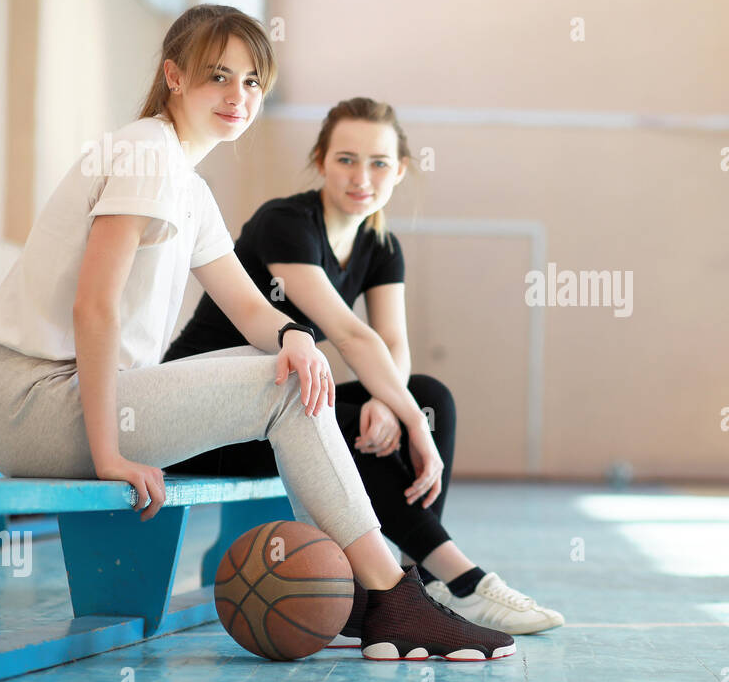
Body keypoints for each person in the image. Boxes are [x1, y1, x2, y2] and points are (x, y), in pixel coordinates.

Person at [0, 4, 514, 661]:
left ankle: (374, 598)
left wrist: (293, 337)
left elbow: (251, 309)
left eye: (253, 81)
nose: (239, 96)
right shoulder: (146, 152)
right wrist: (109, 455)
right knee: (284, 386)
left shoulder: (188, 184)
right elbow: (96, 307)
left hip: (87, 398)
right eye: (218, 77)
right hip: (36, 405)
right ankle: (391, 596)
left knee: (291, 366)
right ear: (174, 77)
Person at [162, 97, 564, 635]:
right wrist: (410, 425)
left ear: (399, 170)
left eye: (378, 163)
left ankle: (420, 582)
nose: (361, 177)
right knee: (360, 420)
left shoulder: (380, 245)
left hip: (277, 414)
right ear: (322, 161)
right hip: (205, 424)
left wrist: (391, 402)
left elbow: (391, 340)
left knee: (426, 394)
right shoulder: (284, 223)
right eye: (346, 159)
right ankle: (462, 579)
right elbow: (350, 334)